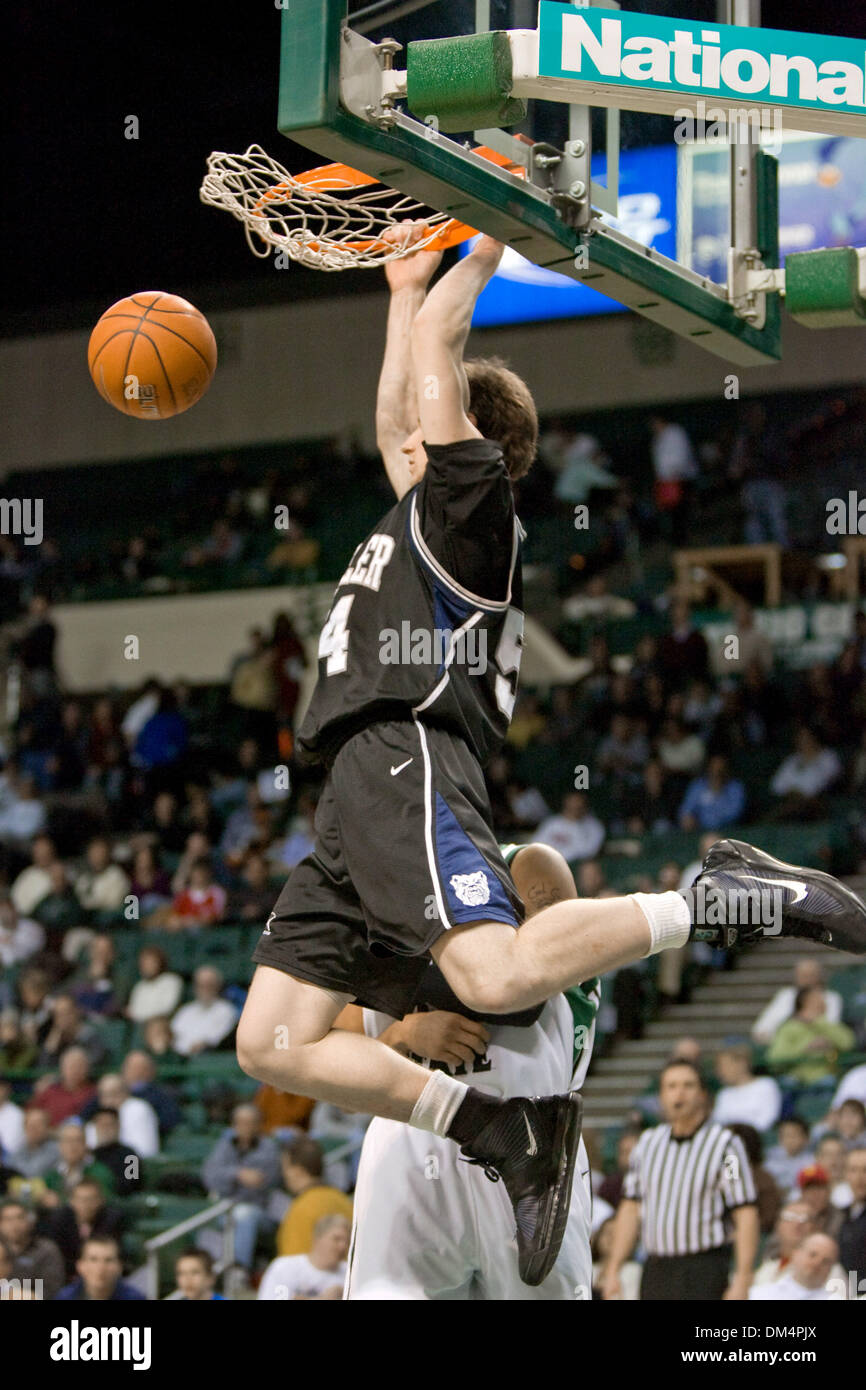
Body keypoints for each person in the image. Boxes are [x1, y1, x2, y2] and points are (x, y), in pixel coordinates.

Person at [235, 225, 866, 1286]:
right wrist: (398, 288)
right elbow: (399, 409)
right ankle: (493, 1130)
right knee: (272, 1044)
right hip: (348, 796)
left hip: (407, 751)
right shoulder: (418, 512)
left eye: (433, 420)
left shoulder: (472, 503)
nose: (410, 430)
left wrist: (480, 237)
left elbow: (436, 359)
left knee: (492, 967)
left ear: (465, 437)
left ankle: (715, 897)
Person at [342, 843, 598, 1300]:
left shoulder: (529, 863)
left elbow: (523, 988)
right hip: (412, 1141)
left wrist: (375, 972)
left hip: (529, 1136)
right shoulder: (367, 888)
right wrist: (406, 1028)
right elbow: (323, 1042)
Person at [601, 1059, 759, 1301]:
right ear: (661, 1095)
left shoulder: (727, 1145)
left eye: (688, 1085)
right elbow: (630, 1208)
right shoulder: (646, 1144)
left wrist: (743, 1278)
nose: (679, 1093)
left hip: (705, 1267)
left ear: (703, 1095)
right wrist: (614, 1269)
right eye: (671, 1086)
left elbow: (745, 1212)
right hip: (656, 1267)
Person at [201, 1104, 282, 1270]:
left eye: (250, 1122)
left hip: (259, 1210)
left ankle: (238, 1270)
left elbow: (263, 1182)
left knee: (244, 1215)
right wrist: (238, 1174)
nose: (245, 1127)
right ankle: (208, 1273)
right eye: (241, 1122)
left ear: (259, 1125)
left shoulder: (269, 1148)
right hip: (226, 1207)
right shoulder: (225, 1145)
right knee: (201, 1223)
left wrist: (229, 1178)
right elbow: (210, 1176)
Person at [275, 1135, 353, 1258]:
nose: (284, 1174)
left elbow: (294, 1265)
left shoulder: (301, 1209)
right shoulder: (345, 1201)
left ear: (297, 1171)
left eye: (286, 1167)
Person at [767, 987, 854, 1086]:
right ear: (805, 1001)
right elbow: (775, 1060)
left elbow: (848, 1043)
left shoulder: (828, 1025)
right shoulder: (789, 1027)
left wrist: (819, 1022)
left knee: (829, 1082)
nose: (824, 1002)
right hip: (795, 1079)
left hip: (825, 1078)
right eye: (818, 998)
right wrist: (806, 1048)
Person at [752, 957, 843, 1046]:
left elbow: (832, 1027)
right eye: (803, 975)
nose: (807, 979)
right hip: (783, 1045)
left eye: (811, 975)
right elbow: (760, 1029)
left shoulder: (831, 998)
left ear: (819, 976)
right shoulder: (785, 995)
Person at [258, 1213, 350, 1301]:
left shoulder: (349, 1275)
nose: (343, 1246)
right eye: (336, 1239)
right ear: (318, 1238)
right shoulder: (284, 1267)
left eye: (347, 1241)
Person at [47, 1177, 126, 1279]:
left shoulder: (112, 1220)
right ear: (71, 1201)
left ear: (101, 1200)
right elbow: (58, 1256)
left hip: (102, 1274)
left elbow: (112, 1254)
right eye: (81, 1199)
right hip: (67, 1276)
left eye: (91, 1200)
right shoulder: (59, 1220)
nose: (86, 1205)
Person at [0, 1196, 65, 1299]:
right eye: (8, 1219)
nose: (14, 1224)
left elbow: (51, 1290)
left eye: (20, 1217)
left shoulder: (47, 1250)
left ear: (30, 1221)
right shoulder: (1, 1251)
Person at [748, 1233, 843, 1301]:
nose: (817, 1263)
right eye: (812, 1255)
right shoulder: (759, 1295)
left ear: (831, 1268)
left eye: (826, 1261)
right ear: (795, 1254)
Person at [54, 1233, 145, 1301]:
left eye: (108, 1260)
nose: (101, 1267)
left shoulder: (136, 1298)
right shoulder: (65, 1297)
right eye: (93, 1260)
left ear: (120, 1266)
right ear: (80, 1266)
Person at [711, 1044, 782, 1132]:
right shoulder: (723, 1094)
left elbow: (768, 1119)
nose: (720, 1071)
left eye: (725, 1066)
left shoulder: (766, 1085)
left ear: (742, 1064)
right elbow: (717, 1122)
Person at [171, 967, 238, 1057]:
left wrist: (203, 1045)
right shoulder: (185, 1011)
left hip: (209, 1058)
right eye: (201, 985)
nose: (205, 989)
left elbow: (220, 1040)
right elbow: (174, 1036)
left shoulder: (227, 1011)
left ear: (218, 986)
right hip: (180, 1059)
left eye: (209, 985)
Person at [531, 791, 605, 863]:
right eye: (571, 803)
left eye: (578, 805)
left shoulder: (594, 826)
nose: (574, 807)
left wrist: (575, 824)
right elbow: (535, 845)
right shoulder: (552, 822)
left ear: (585, 805)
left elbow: (587, 853)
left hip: (575, 866)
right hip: (548, 864)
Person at [837, 1147, 866, 1284]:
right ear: (845, 1174)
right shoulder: (842, 1214)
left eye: (865, 1170)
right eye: (853, 1170)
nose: (860, 1177)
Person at [764, 1117, 814, 1194]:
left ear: (806, 1138)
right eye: (785, 1135)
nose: (789, 1140)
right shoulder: (771, 1156)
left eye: (793, 1135)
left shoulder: (811, 1161)